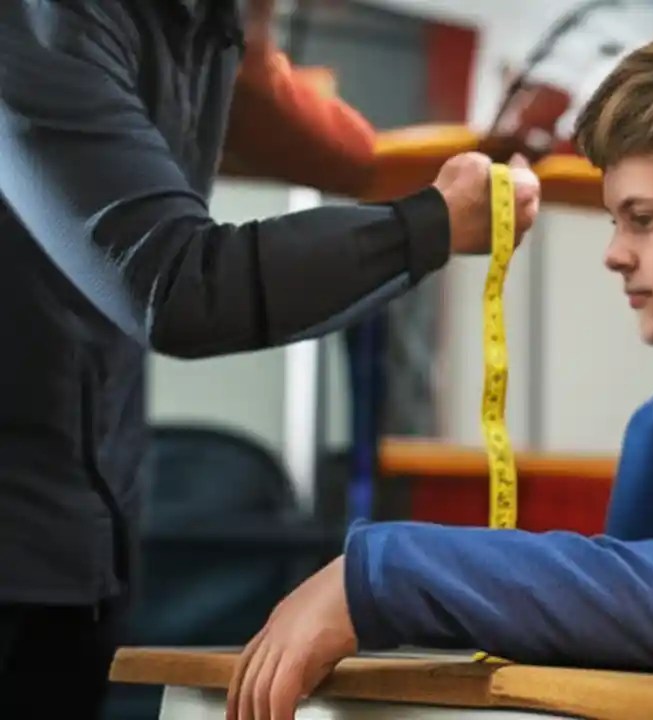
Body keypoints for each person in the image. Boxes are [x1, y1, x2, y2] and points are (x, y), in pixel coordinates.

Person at [227, 25, 653, 719]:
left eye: (644, 219)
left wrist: (389, 574)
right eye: (614, 222)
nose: (615, 254)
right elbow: (623, 643)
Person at [0, 2, 538, 717]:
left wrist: (482, 151)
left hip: (92, 530)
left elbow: (332, 145)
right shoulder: (43, 22)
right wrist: (433, 224)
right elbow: (179, 284)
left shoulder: (203, 23)